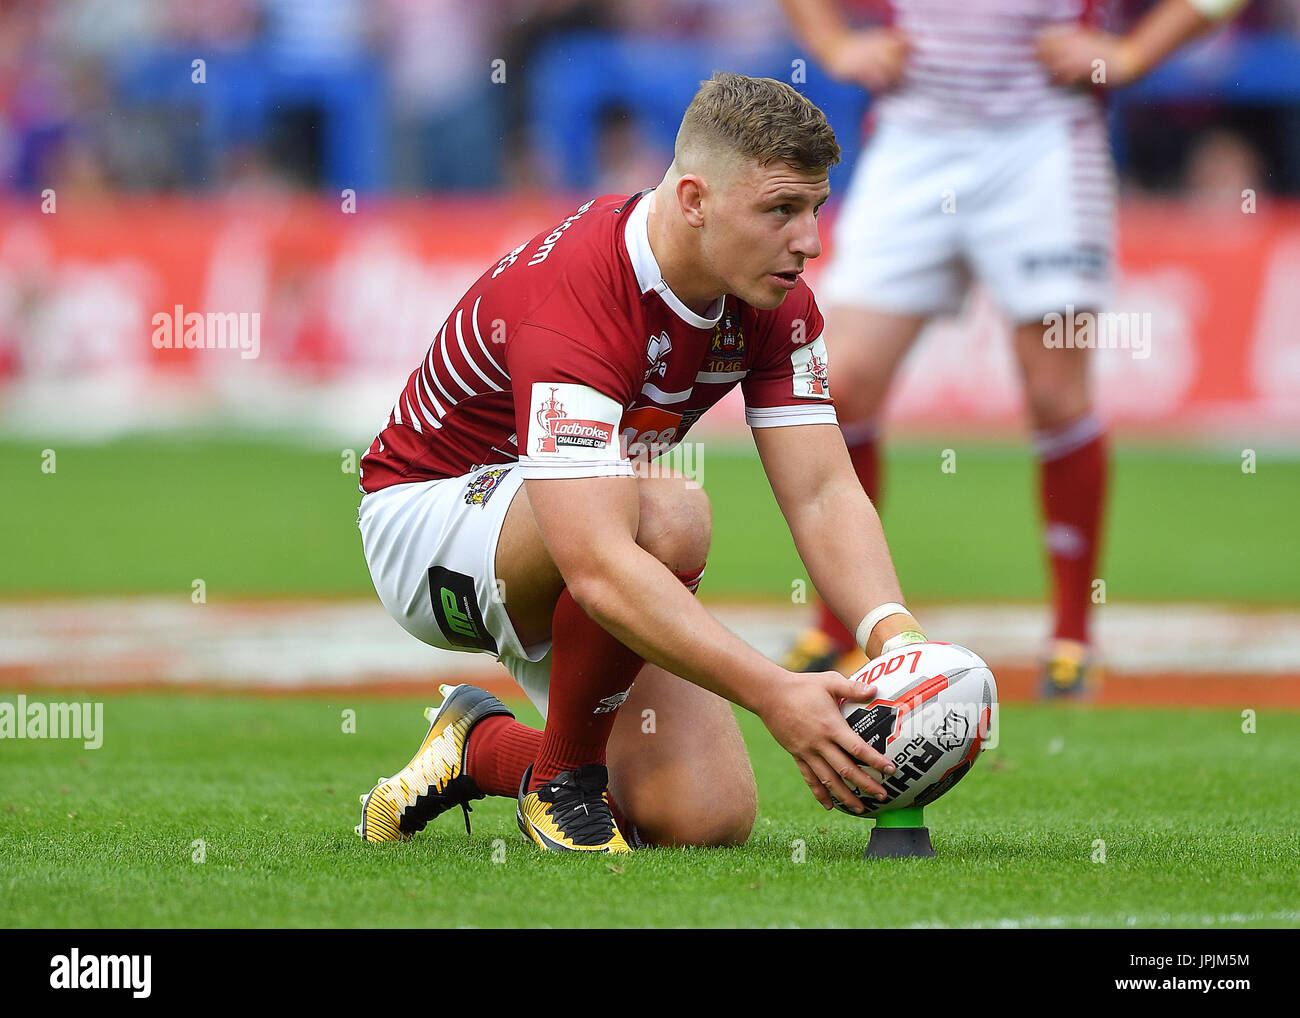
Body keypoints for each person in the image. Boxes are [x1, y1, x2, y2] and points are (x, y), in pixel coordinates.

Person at [353, 72, 930, 854]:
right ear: (694, 200)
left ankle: (479, 746)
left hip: (579, 518)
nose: (810, 241)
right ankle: (561, 782)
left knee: (703, 817)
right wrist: (774, 694)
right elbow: (595, 564)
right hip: (430, 527)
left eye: (816, 208)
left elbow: (824, 491)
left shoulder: (773, 299)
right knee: (669, 511)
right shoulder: (582, 293)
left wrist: (898, 639)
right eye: (781, 210)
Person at [779, 0, 1248, 696]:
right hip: (915, 138)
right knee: (840, 383)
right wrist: (833, 42)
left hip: (1046, 142)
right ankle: (840, 626)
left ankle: (1070, 636)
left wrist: (1132, 55)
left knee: (1057, 395)